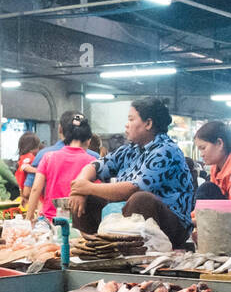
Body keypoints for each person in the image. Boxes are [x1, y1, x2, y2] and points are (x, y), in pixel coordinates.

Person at [67, 97, 195, 247]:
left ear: (148, 123)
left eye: (131, 119)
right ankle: (94, 247)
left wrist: (87, 187)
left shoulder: (166, 151)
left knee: (141, 199)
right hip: (128, 220)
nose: (126, 125)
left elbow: (132, 188)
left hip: (171, 228)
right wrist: (79, 190)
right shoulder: (130, 149)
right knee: (86, 199)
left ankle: (131, 249)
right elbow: (95, 166)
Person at [24, 113, 94, 221]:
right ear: (88, 140)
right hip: (79, 223)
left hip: (50, 221)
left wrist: (28, 220)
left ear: (66, 135)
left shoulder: (48, 157)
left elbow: (35, 189)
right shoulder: (92, 161)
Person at [26, 109, 98, 189]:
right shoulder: (95, 158)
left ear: (60, 128)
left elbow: (28, 191)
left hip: (49, 201)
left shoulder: (45, 156)